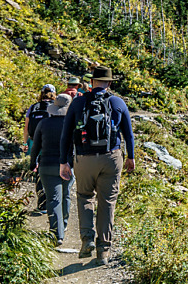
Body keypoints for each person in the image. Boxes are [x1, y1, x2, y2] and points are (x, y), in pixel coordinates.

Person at [60, 66, 135, 265]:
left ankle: (86, 239)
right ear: (109, 83)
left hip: (84, 159)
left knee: (85, 196)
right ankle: (104, 250)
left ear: (92, 82)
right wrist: (131, 157)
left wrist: (64, 161)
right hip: (111, 158)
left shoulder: (78, 103)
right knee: (107, 202)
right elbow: (128, 133)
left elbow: (66, 135)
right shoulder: (118, 102)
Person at [29, 93, 74, 249]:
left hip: (47, 165)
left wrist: (32, 162)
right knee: (66, 195)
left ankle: (57, 233)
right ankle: (65, 224)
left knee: (53, 199)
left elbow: (35, 146)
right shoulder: (72, 123)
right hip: (67, 165)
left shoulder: (43, 123)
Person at [23, 84, 55, 215]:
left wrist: (25, 143)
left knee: (39, 173)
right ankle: (54, 204)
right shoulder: (55, 107)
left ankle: (41, 204)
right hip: (51, 143)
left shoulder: (33, 107)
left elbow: (26, 127)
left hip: (35, 142)